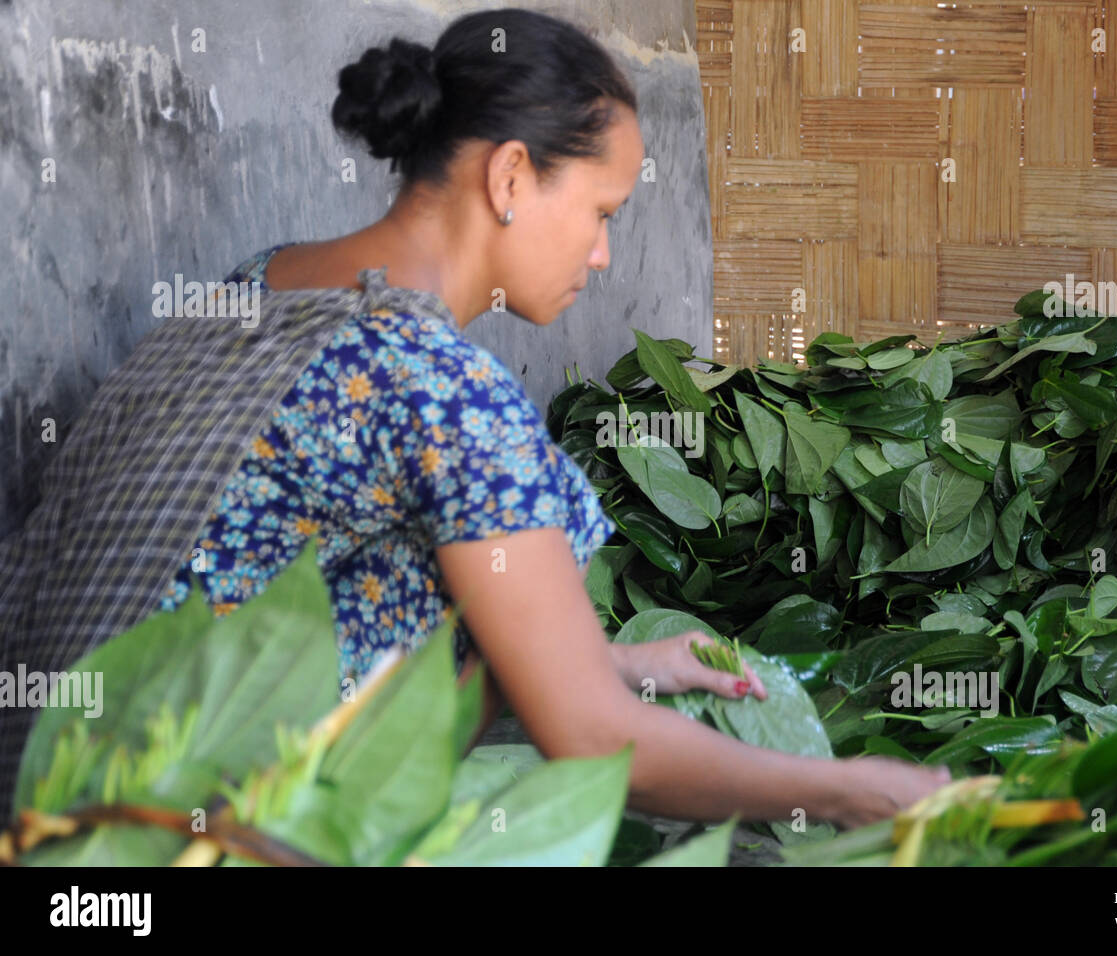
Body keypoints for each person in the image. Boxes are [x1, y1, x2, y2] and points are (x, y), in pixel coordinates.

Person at [0, 8, 949, 829]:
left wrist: (610, 663)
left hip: (46, 787)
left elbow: (249, 574)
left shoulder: (264, 280)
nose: (606, 254)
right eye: (602, 211)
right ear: (508, 179)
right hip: (170, 825)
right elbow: (585, 740)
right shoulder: (442, 389)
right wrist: (846, 789)